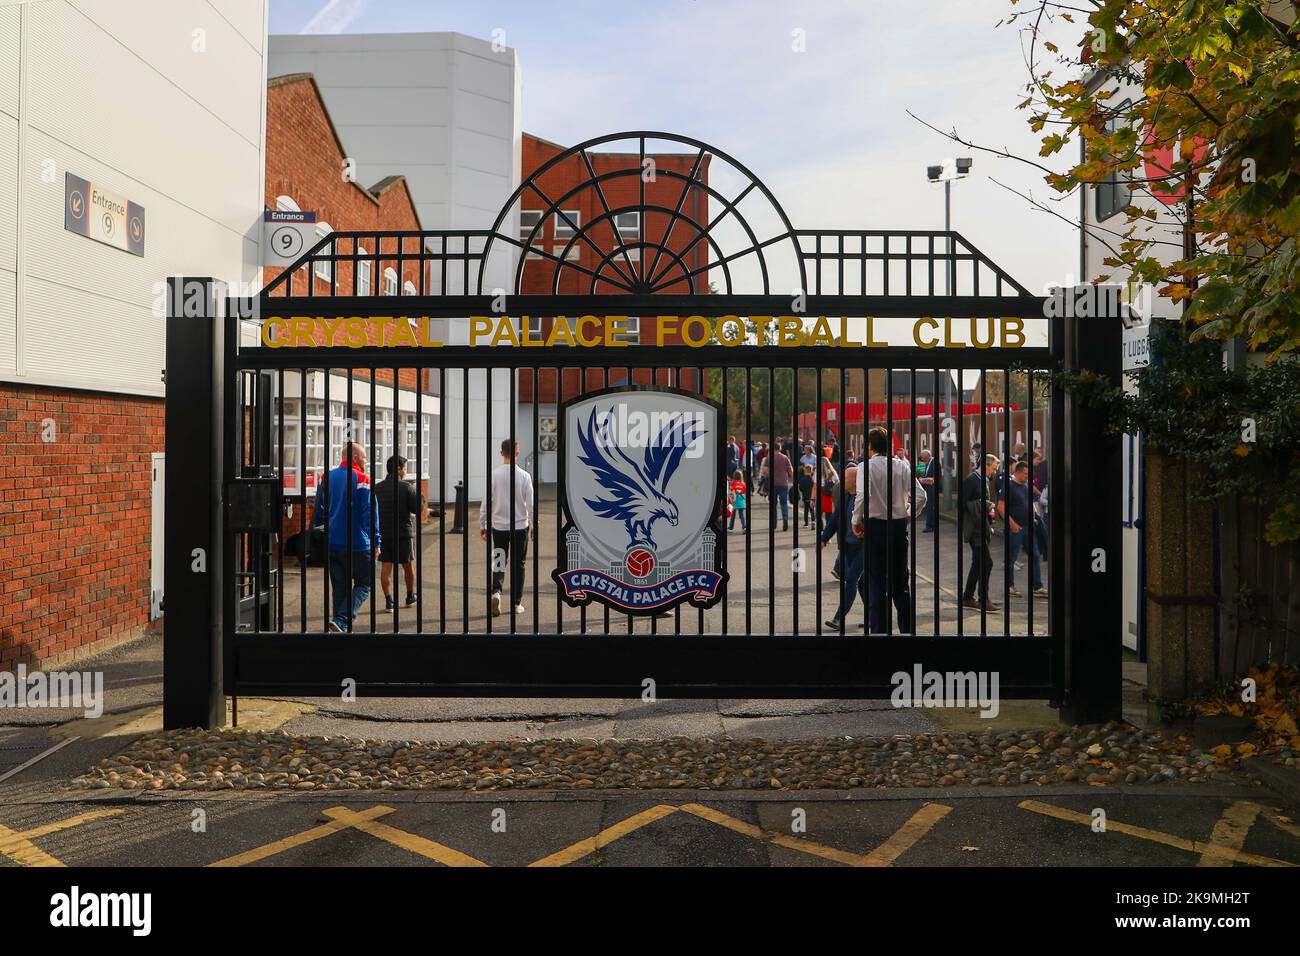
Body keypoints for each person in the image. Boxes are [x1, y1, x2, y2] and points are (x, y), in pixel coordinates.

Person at [843, 427, 927, 634]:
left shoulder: (866, 467)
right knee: (900, 583)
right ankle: (907, 630)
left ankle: (880, 631)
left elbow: (862, 496)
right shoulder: (902, 466)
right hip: (898, 527)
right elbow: (921, 496)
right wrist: (906, 515)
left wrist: (855, 520)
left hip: (876, 527)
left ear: (870, 446)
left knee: (877, 583)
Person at [312, 441, 381, 633]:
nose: (366, 460)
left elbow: (319, 510)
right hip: (359, 544)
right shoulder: (362, 479)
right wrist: (376, 540)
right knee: (365, 583)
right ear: (355, 458)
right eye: (365, 457)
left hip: (333, 542)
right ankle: (342, 621)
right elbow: (369, 513)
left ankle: (339, 627)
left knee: (340, 589)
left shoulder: (326, 477)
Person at [479, 439, 534, 617]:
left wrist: (483, 524)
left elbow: (486, 501)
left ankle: (496, 592)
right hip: (520, 527)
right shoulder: (525, 476)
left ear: (501, 452)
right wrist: (533, 524)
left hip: (499, 526)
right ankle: (516, 603)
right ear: (517, 453)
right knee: (519, 564)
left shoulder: (494, 475)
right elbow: (531, 504)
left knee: (499, 560)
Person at [375, 454, 427, 612]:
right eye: (404, 468)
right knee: (408, 566)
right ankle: (410, 596)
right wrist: (420, 496)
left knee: (386, 567)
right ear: (398, 469)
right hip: (403, 533)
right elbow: (417, 509)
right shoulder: (406, 487)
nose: (405, 471)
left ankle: (389, 601)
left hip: (383, 533)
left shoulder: (377, 488)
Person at [997, 460, 1047, 598]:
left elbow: (1029, 502)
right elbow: (1001, 506)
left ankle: (1037, 587)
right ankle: (1010, 586)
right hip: (1015, 530)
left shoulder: (1025, 486)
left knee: (1035, 556)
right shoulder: (1008, 486)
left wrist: (1035, 516)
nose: (1027, 476)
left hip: (1029, 528)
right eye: (1025, 474)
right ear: (1017, 472)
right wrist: (1011, 524)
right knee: (1011, 558)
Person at [960, 454, 1001, 611]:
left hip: (982, 527)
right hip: (975, 529)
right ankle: (983, 600)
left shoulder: (984, 479)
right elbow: (962, 504)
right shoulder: (971, 480)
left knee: (978, 562)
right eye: (994, 468)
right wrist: (984, 505)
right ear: (986, 466)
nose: (995, 472)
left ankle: (968, 597)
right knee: (987, 562)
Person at [762, 442, 793, 531]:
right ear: (780, 448)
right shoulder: (785, 457)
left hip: (773, 484)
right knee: (783, 503)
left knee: (773, 504)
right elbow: (790, 471)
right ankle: (785, 518)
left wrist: (768, 476)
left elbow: (765, 471)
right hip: (783, 483)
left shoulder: (768, 458)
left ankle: (773, 524)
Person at [920, 448, 941, 533]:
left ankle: (929, 526)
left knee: (930, 506)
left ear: (928, 456)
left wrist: (924, 480)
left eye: (924, 458)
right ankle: (931, 525)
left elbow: (936, 477)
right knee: (930, 506)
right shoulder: (928, 463)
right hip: (928, 488)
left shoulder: (935, 462)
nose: (923, 460)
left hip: (932, 488)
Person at [798, 462, 815, 528]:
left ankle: (806, 524)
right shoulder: (812, 479)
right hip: (812, 496)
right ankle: (813, 521)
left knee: (806, 510)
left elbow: (800, 488)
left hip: (805, 496)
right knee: (812, 510)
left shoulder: (803, 479)